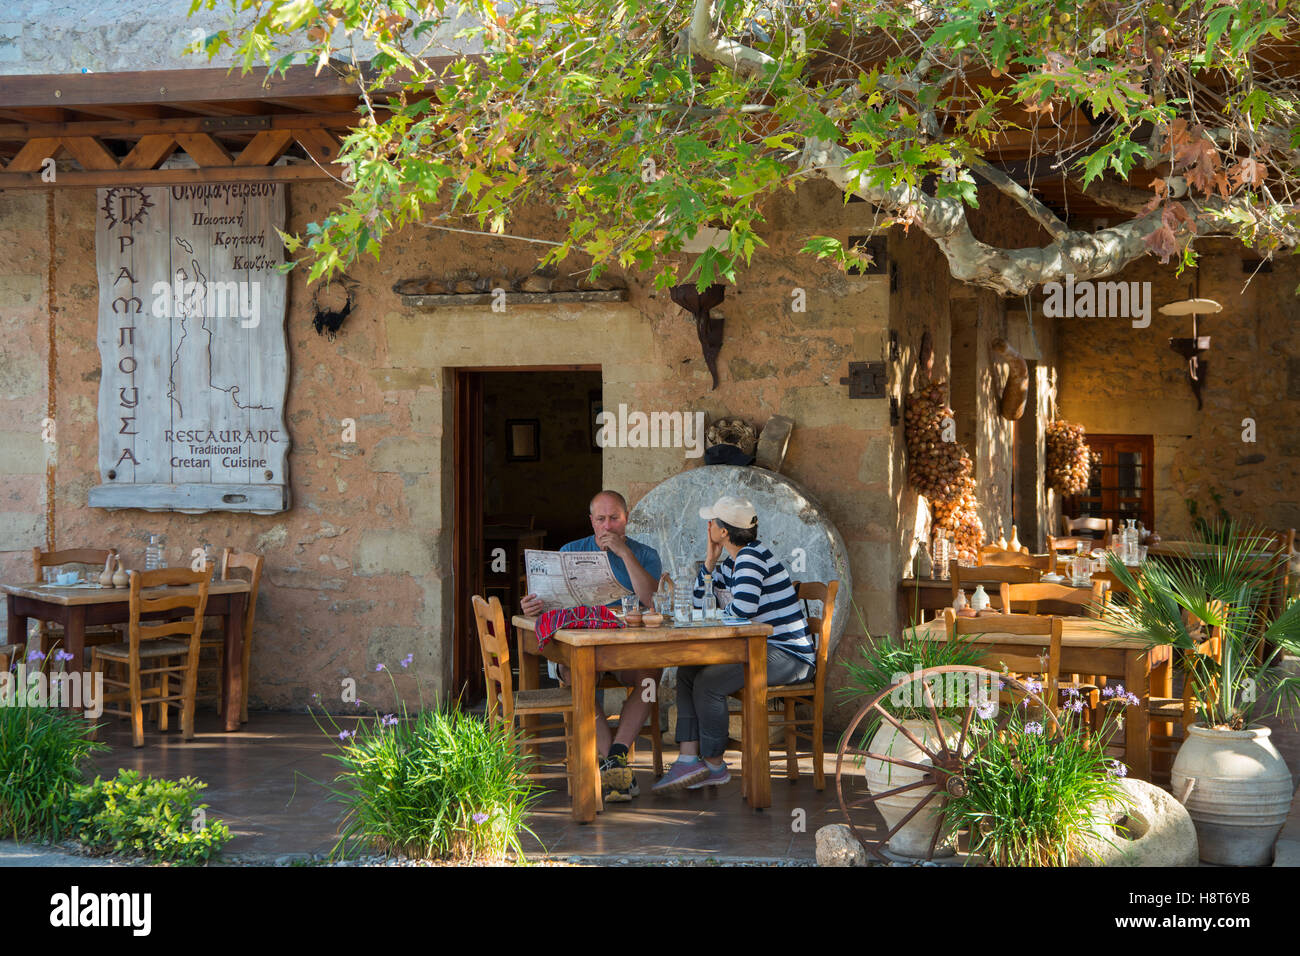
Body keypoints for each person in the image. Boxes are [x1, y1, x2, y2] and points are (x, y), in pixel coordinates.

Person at [653, 495, 812, 792]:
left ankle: (714, 764)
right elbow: (701, 604)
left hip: (789, 656)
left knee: (709, 683)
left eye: (711, 522)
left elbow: (743, 610)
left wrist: (715, 610)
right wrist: (709, 563)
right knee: (688, 671)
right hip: (762, 649)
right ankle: (688, 759)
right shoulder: (732, 562)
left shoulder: (751, 557)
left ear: (724, 531)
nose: (708, 526)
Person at [520, 490, 662, 802]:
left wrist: (625, 554)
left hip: (625, 652)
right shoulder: (570, 551)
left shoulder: (645, 554)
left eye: (614, 518)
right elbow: (549, 606)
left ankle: (614, 756)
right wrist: (533, 607)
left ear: (626, 519)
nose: (607, 526)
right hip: (580, 650)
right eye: (601, 519)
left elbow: (652, 602)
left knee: (651, 676)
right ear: (591, 522)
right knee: (576, 674)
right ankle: (614, 760)